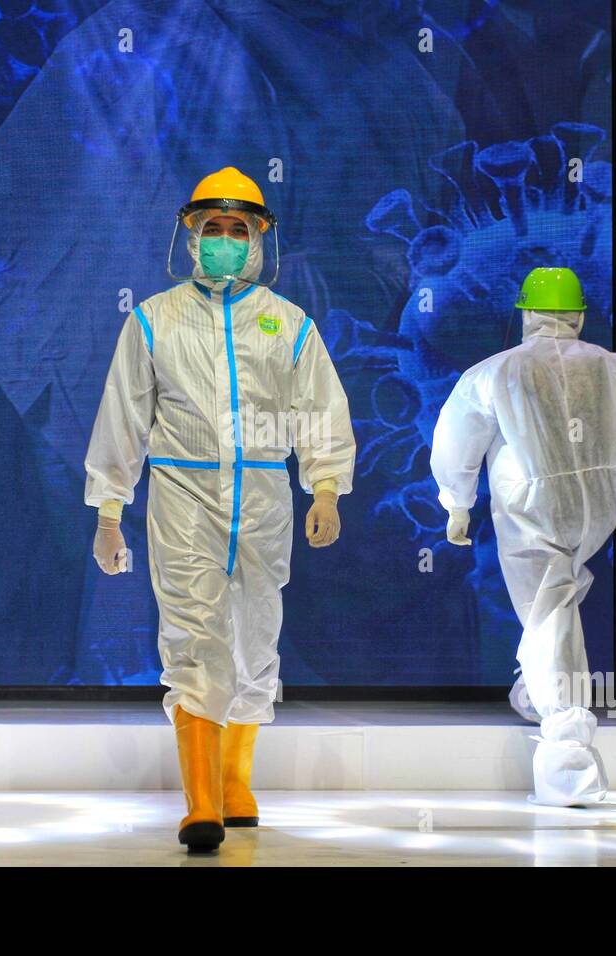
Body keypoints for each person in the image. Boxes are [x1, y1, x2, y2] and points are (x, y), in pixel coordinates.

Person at [84, 167, 355, 850]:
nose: (226, 241)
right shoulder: (154, 319)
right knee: (194, 636)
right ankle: (200, 800)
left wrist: (324, 487)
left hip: (263, 496)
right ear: (190, 236)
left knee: (256, 638)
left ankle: (236, 780)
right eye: (214, 229)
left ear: (259, 238)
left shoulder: (287, 323)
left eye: (239, 229)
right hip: (182, 495)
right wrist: (109, 510)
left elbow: (318, 410)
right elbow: (123, 416)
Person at [430, 267, 616, 807]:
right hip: (601, 504)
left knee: (548, 612)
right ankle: (533, 689)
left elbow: (458, 441)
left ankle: (567, 759)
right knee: (557, 600)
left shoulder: (495, 372)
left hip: (531, 504)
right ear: (580, 316)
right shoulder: (613, 369)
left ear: (525, 313)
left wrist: (457, 503)